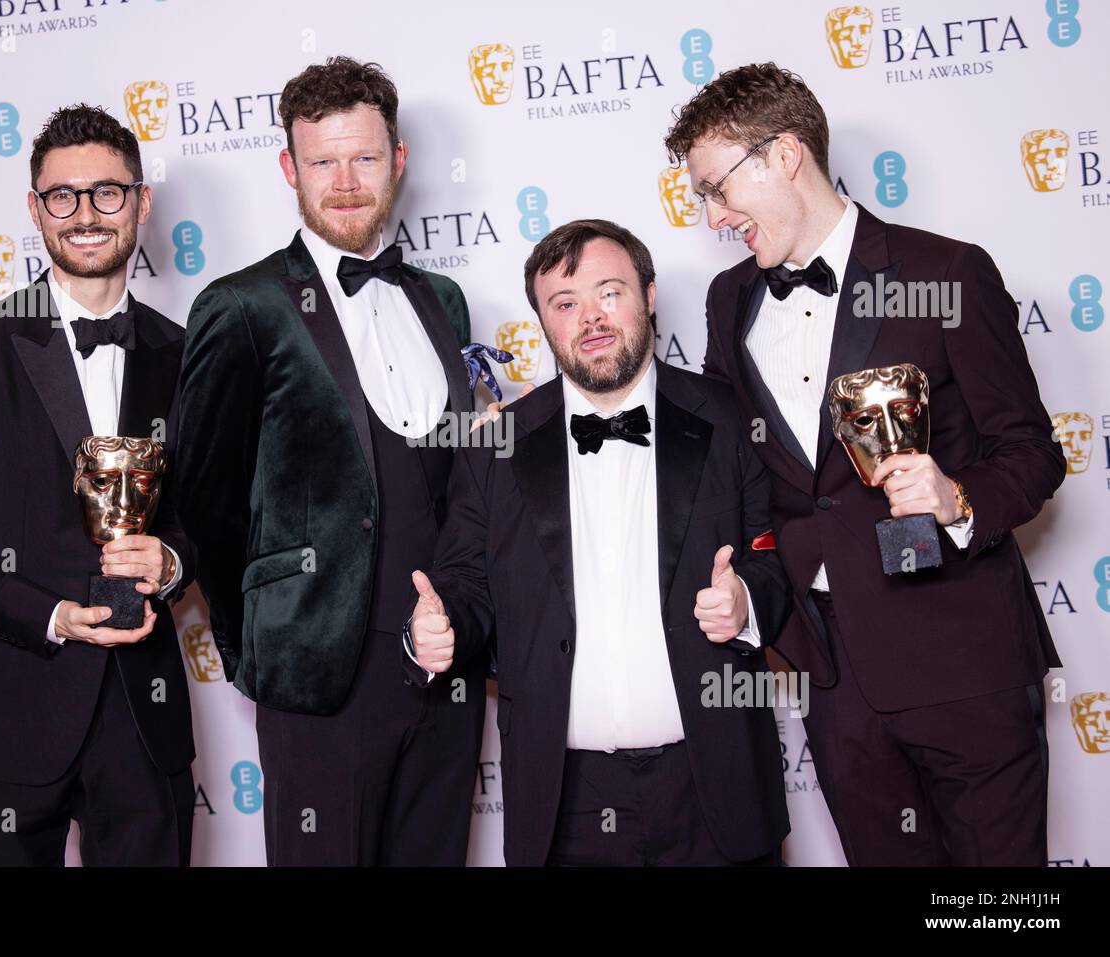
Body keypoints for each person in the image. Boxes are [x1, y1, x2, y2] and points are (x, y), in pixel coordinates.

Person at [666, 62, 1064, 865]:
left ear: (783, 155)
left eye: (716, 187)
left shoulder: (944, 272)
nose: (712, 215)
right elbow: (715, 446)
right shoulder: (727, 299)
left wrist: (957, 497)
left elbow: (1032, 453)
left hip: (965, 661)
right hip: (833, 673)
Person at [177, 57, 484, 866]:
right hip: (318, 674)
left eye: (365, 158)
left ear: (400, 160)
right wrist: (263, 656)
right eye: (322, 162)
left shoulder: (441, 300)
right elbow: (203, 501)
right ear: (289, 168)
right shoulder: (241, 306)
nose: (345, 182)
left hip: (446, 663)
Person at [410, 219, 792, 866]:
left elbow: (776, 559)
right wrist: (438, 626)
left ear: (648, 295)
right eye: (565, 303)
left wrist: (747, 601)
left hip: (716, 785)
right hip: (564, 803)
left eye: (609, 292)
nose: (590, 317)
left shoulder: (729, 416)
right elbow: (465, 586)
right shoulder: (494, 447)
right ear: (544, 322)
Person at [0, 105, 196, 865]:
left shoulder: (187, 353)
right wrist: (50, 613)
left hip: (143, 719)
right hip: (4, 712)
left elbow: (208, 522)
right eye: (63, 196)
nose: (86, 215)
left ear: (142, 202)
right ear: (35, 209)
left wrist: (174, 564)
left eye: (107, 193)